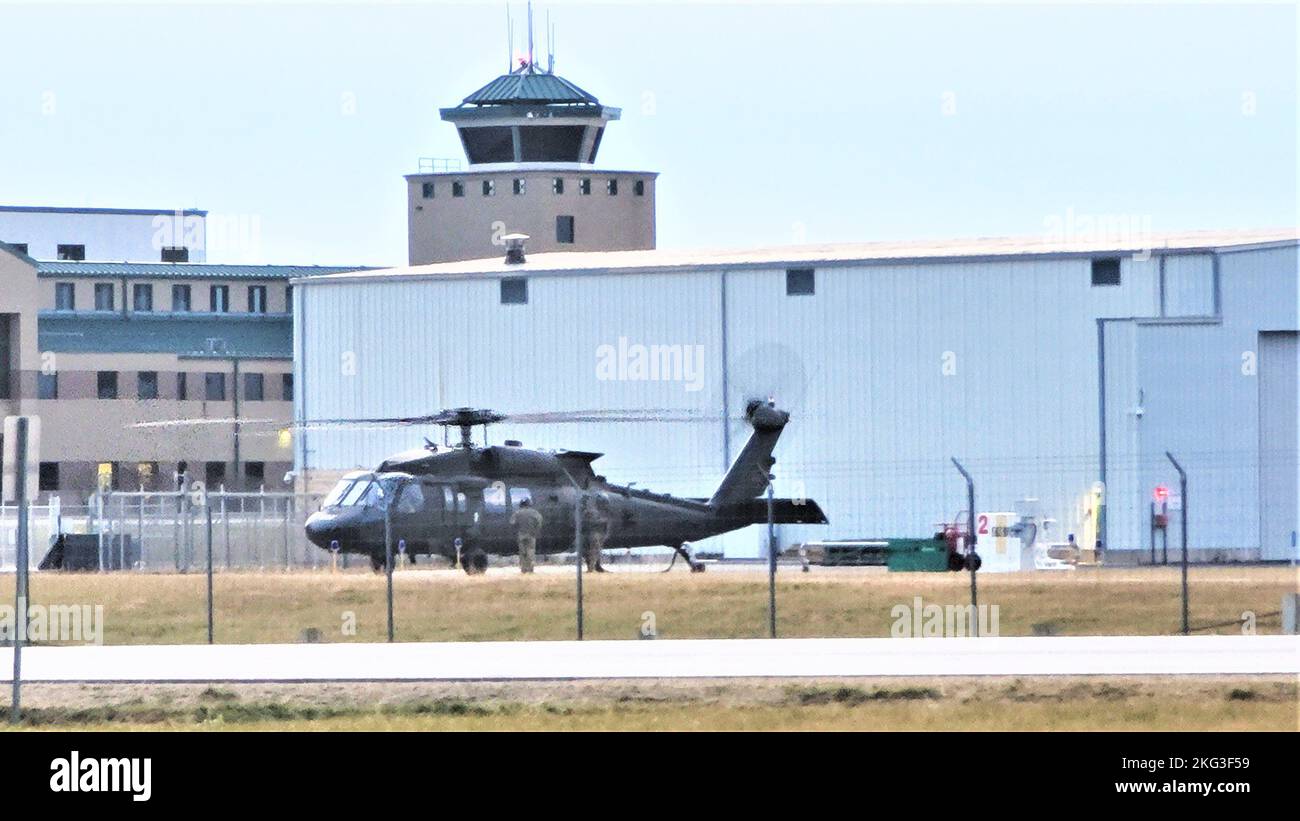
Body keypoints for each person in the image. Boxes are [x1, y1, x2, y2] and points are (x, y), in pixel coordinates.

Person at [509, 498, 543, 573]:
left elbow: (512, 523)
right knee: (530, 550)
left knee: (522, 552)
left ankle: (524, 568)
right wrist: (536, 530)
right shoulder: (534, 512)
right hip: (531, 535)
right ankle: (530, 568)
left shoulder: (517, 513)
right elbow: (539, 521)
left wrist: (517, 529)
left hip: (521, 535)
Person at [582, 493, 611, 573]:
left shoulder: (601, 512)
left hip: (600, 534)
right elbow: (589, 522)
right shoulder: (591, 511)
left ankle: (597, 566)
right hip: (594, 534)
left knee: (597, 551)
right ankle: (591, 568)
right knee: (593, 551)